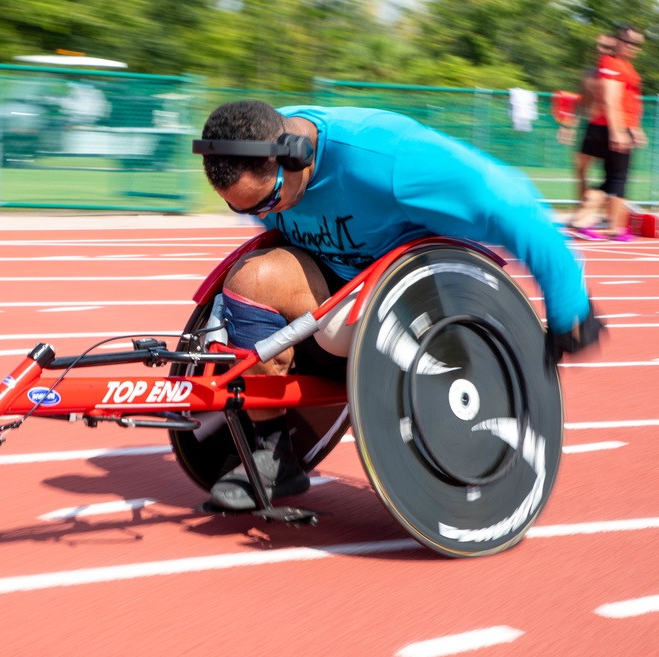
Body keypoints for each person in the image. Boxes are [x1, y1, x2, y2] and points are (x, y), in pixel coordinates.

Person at [192, 99, 603, 510]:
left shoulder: (387, 158)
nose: (260, 214)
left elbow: (510, 201)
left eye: (268, 201)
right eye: (241, 207)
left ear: (296, 155)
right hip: (336, 299)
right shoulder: (251, 142)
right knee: (251, 279)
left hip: (422, 314)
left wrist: (569, 303)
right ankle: (275, 456)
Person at [575, 25, 646, 241]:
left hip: (618, 126)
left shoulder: (624, 65)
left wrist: (634, 128)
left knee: (614, 179)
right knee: (615, 179)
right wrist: (618, 131)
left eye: (637, 44)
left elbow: (627, 101)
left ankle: (612, 226)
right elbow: (610, 99)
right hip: (610, 128)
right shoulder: (612, 64)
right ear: (617, 41)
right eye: (628, 42)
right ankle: (591, 221)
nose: (632, 47)